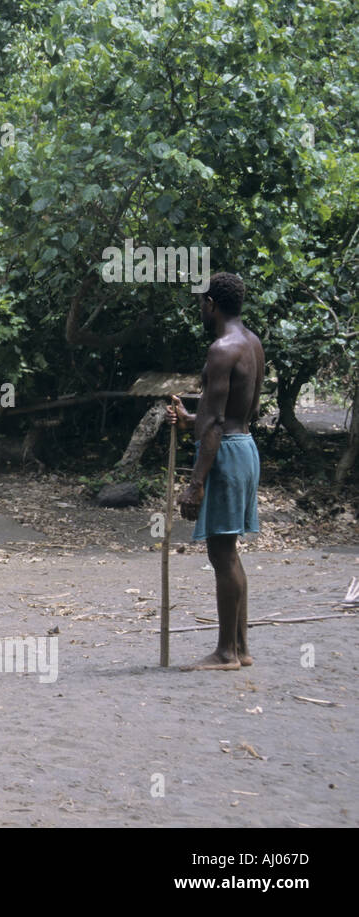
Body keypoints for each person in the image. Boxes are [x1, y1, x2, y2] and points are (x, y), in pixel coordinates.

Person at [167, 272, 265, 671]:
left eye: (201, 304)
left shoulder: (221, 349)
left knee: (221, 554)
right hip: (245, 448)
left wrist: (195, 483)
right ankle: (240, 649)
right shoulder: (253, 344)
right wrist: (190, 418)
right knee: (230, 553)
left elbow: (214, 425)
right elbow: (239, 412)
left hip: (224, 453)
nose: (200, 311)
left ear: (211, 304)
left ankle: (226, 652)